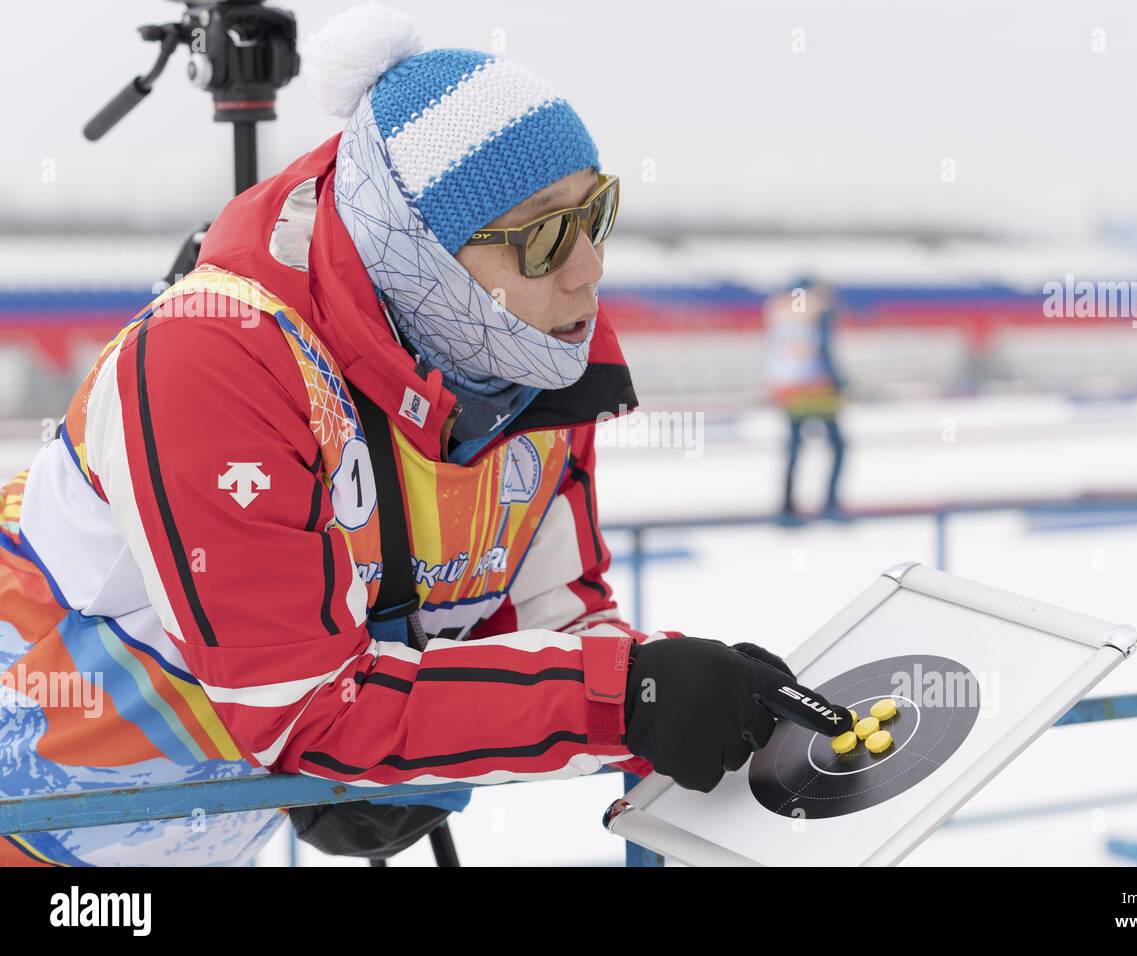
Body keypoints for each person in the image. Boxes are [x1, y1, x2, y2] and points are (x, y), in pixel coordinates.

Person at [0, 5, 849, 866]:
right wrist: (616, 701)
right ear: (422, 253)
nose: (589, 266)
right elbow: (305, 711)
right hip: (32, 819)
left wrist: (679, 688)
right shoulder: (214, 360)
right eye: (546, 234)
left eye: (597, 214)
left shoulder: (533, 363)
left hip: (200, 834)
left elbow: (553, 625)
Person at [763, 274, 847, 518]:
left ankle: (787, 504)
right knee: (838, 446)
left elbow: (772, 350)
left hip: (789, 387)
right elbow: (824, 349)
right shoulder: (818, 310)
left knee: (794, 447)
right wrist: (841, 384)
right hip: (818, 387)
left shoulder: (778, 311)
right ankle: (830, 502)